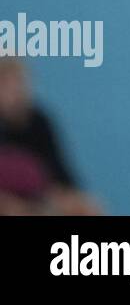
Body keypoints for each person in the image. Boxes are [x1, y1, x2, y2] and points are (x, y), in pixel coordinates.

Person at [0, 57, 101, 215]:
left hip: (40, 197)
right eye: (7, 84)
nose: (16, 90)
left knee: (87, 206)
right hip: (8, 201)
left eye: (20, 82)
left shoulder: (39, 121)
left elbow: (61, 171)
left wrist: (63, 197)